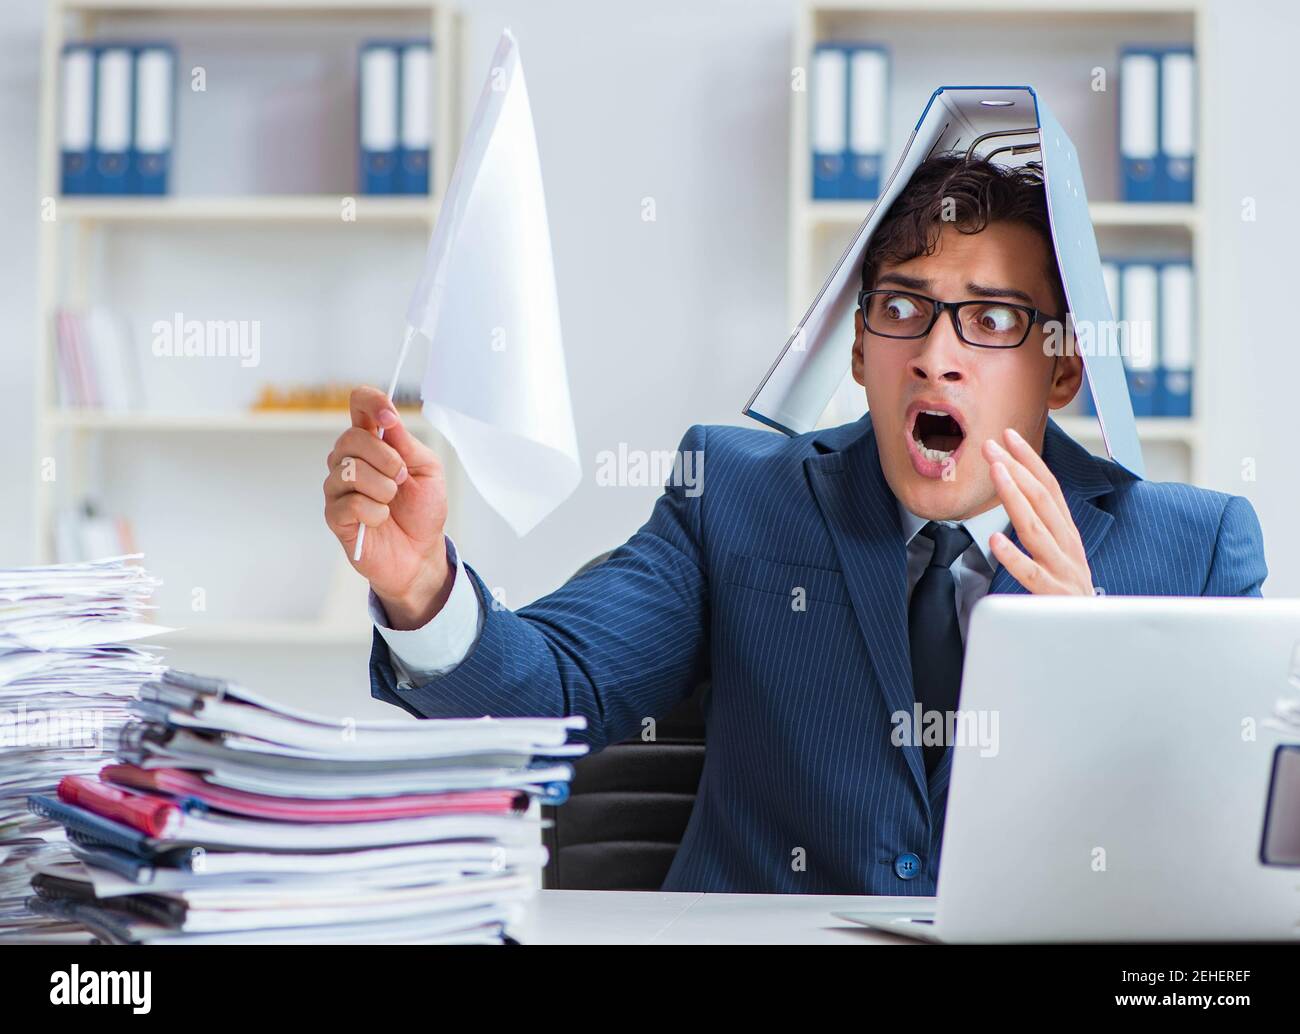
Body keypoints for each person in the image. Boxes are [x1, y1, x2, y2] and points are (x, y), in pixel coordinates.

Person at [322, 155, 1267, 895]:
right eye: (903, 308)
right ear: (857, 348)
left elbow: (1244, 847)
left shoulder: (1194, 551)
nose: (938, 357)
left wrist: (1105, 673)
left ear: (1063, 371)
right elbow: (547, 696)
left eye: (991, 319)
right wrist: (421, 587)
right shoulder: (734, 497)